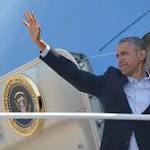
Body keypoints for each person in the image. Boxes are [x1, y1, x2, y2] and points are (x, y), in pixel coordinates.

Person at [22, 11, 150, 150]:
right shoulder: (111, 81)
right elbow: (75, 75)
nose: (119, 59)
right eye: (118, 55)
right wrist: (40, 44)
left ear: (141, 55)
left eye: (124, 54)